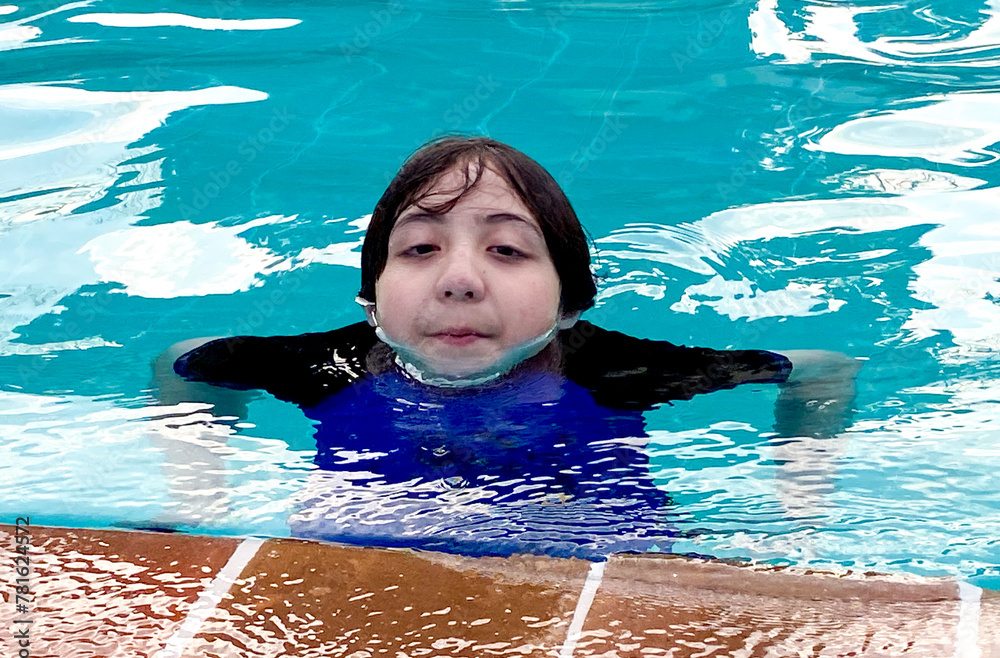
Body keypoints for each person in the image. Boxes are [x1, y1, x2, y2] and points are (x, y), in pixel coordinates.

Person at [162, 135, 858, 559]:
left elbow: (821, 373)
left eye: (506, 249)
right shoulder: (332, 367)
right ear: (371, 299)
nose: (460, 280)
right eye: (420, 248)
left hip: (604, 589)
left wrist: (796, 516)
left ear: (571, 302)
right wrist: (197, 499)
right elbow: (182, 361)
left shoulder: (615, 370)